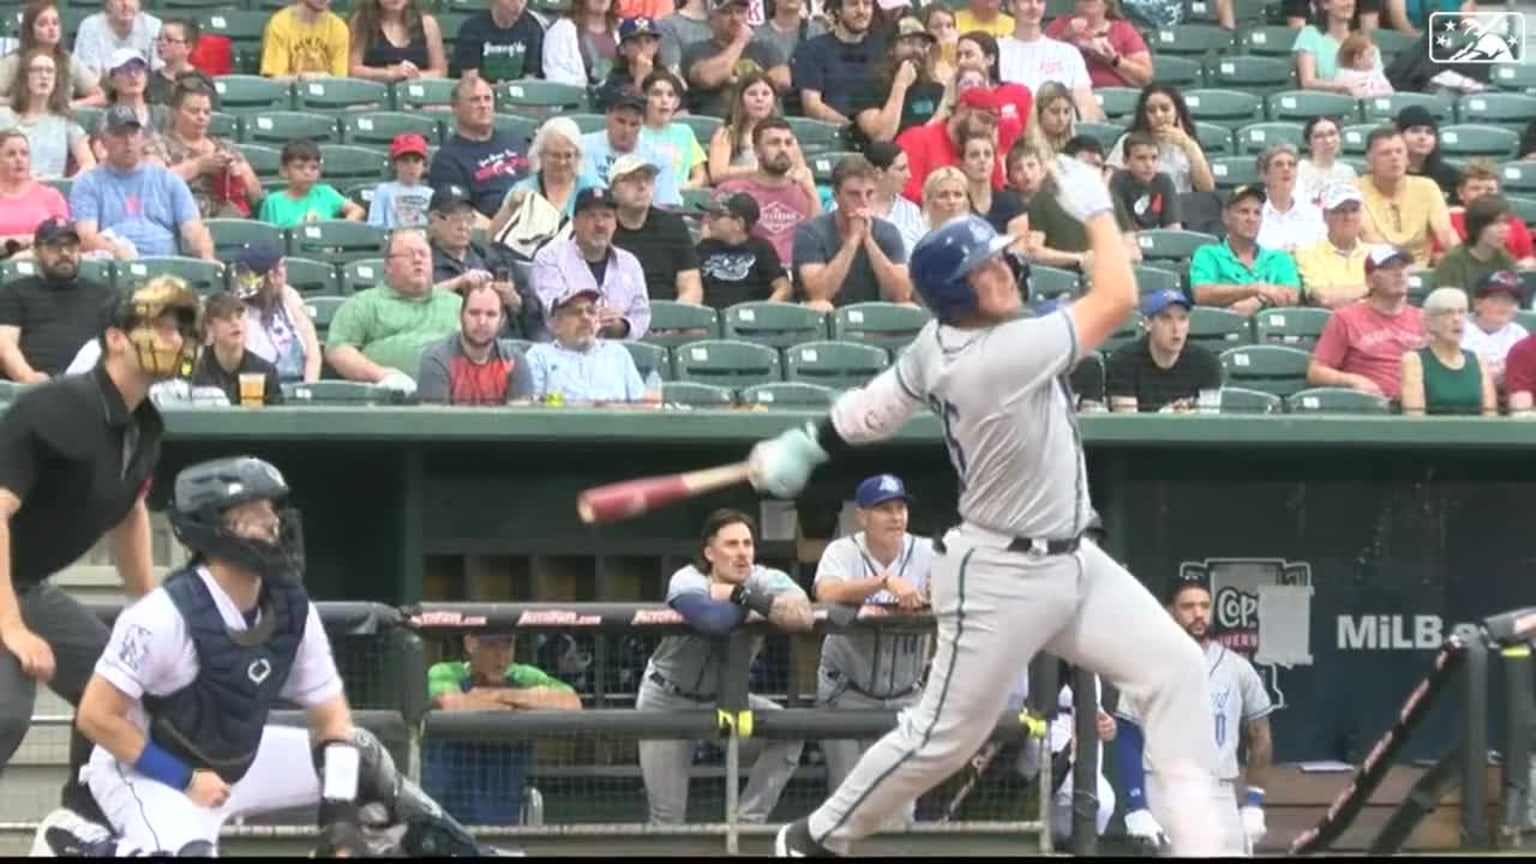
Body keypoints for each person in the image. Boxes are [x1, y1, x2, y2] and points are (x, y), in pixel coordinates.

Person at [758, 159, 1237, 857]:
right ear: (958, 294)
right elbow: (1116, 297)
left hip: (1073, 559)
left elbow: (875, 408)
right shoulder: (1000, 354)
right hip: (1000, 575)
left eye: (1000, 259)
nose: (1004, 270)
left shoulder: (937, 343)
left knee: (1178, 672)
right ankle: (811, 839)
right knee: (942, 738)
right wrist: (1099, 211)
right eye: (986, 269)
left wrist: (810, 440)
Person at [35, 457, 403, 856]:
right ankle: (81, 846)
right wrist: (186, 778)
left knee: (360, 760)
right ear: (213, 530)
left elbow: (332, 717)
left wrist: (340, 816)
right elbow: (95, 717)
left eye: (272, 511)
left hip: (237, 761)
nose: (273, 524)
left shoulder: (292, 605)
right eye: (254, 513)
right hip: (152, 771)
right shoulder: (161, 615)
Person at [0, 279, 199, 834]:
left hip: (26, 581)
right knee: (4, 714)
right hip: (5, 588)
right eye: (161, 326)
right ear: (115, 338)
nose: (175, 338)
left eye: (179, 328)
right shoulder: (58, 405)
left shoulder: (144, 424)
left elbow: (130, 514)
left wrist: (152, 610)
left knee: (116, 688)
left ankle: (81, 828)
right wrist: (11, 627)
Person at [637, 508, 812, 825]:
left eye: (748, 543)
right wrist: (755, 605)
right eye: (732, 544)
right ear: (709, 552)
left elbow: (802, 617)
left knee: (791, 729)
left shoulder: (762, 578)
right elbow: (711, 621)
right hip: (666, 699)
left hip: (721, 701)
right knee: (667, 818)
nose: (743, 553)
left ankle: (745, 823)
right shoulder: (688, 577)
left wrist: (740, 594)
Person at [1116, 580, 1274, 856]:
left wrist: (1253, 801)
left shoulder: (1237, 668)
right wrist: (1137, 805)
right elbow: (1128, 734)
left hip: (1220, 789)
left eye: (1204, 605)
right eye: (1188, 606)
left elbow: (1260, 735)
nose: (1198, 613)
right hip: (1165, 788)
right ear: (1170, 612)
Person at [812, 474, 935, 801]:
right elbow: (825, 591)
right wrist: (883, 583)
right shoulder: (843, 551)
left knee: (899, 803)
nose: (896, 516)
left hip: (906, 696)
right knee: (848, 799)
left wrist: (943, 591)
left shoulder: (926, 552)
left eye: (900, 507)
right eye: (884, 509)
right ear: (862, 516)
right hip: (847, 692)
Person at [1105, 289, 1222, 413]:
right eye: (1166, 318)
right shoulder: (1124, 362)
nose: (1176, 328)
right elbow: (1126, 424)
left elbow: (1210, 421)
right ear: (1148, 323)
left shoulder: (1206, 363)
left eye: (1182, 319)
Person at [1400, 287, 1495, 416]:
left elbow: (1491, 419)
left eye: (1461, 312)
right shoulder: (1414, 360)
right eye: (1447, 313)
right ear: (1429, 322)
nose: (1457, 319)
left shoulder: (1478, 360)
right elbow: (1415, 420)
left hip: (1476, 434)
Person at [697, 191, 790, 308]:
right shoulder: (704, 248)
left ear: (738, 223)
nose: (709, 221)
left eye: (716, 216)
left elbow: (783, 288)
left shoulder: (761, 248)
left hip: (749, 320)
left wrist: (763, 312)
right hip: (710, 319)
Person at [189, 292, 282, 406]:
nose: (235, 323)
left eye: (239, 316)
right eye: (226, 318)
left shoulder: (265, 371)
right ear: (210, 327)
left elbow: (278, 420)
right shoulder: (196, 369)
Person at [258, 138, 366, 227]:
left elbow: (357, 210)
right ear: (284, 171)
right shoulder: (273, 202)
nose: (307, 172)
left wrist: (339, 230)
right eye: (299, 167)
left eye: (314, 167)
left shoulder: (325, 193)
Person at [367, 132, 434, 229]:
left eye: (416, 161)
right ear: (394, 164)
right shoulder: (383, 191)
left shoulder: (431, 194)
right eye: (405, 161)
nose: (411, 166)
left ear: (424, 165)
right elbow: (375, 226)